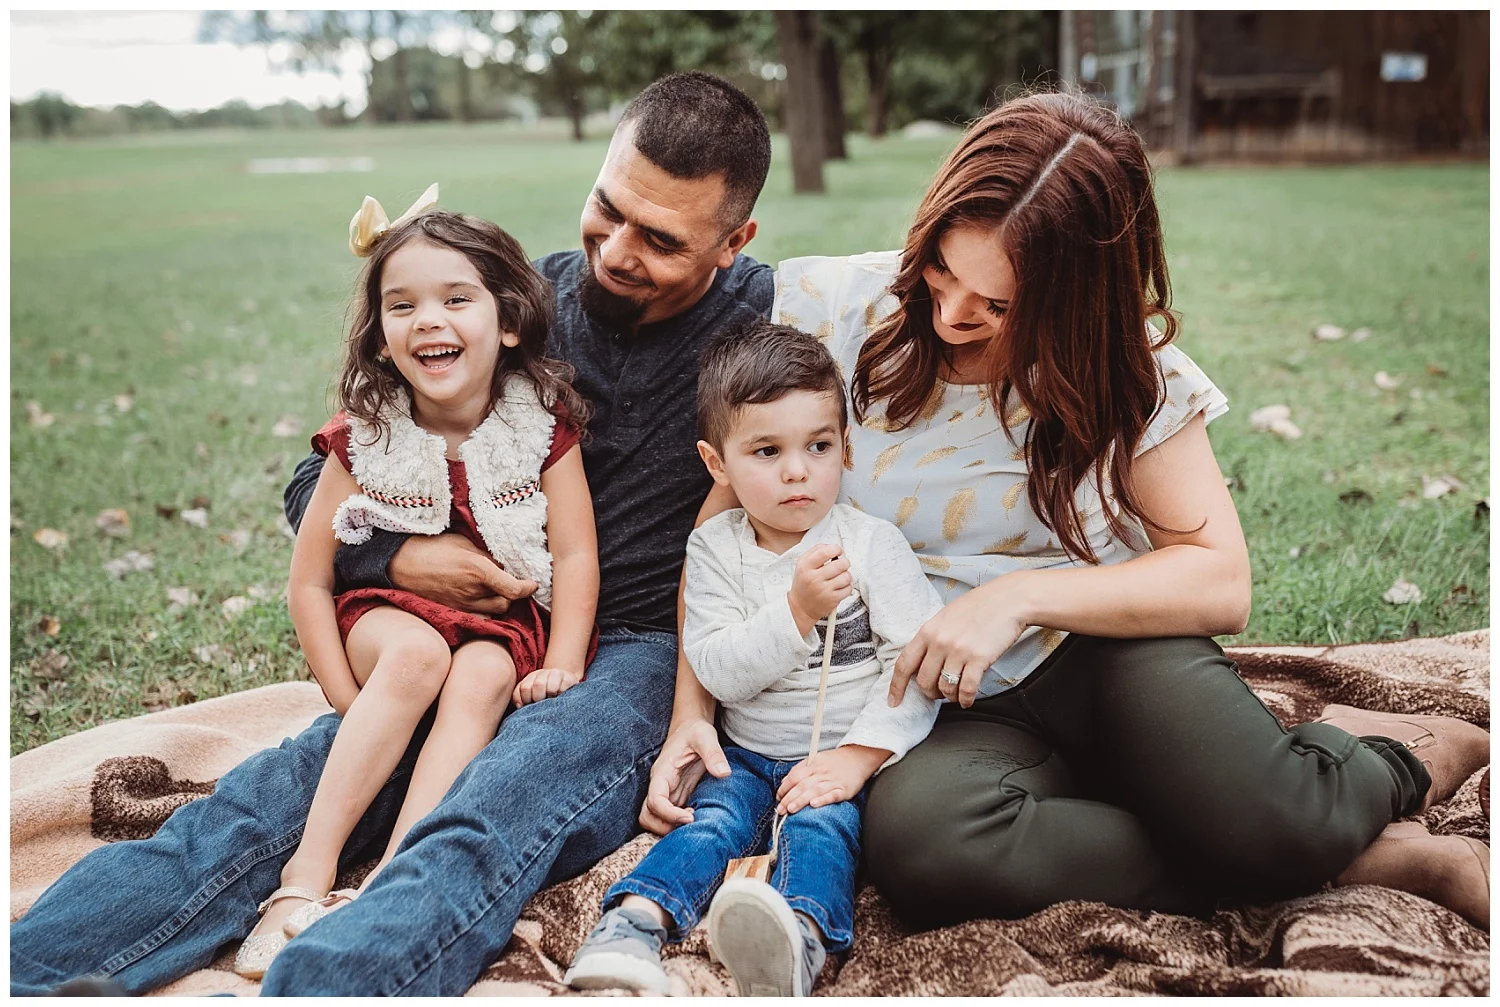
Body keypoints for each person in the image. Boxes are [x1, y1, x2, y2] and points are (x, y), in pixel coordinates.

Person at [642, 91, 1491, 931]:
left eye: (1000, 304)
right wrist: (692, 713)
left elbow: (1221, 579)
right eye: (942, 267)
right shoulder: (832, 308)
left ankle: (1392, 755)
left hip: (1104, 654)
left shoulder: (1130, 372)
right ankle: (1346, 857)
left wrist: (1014, 598)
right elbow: (722, 532)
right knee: (929, 851)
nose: (950, 313)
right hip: (940, 699)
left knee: (1278, 818)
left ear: (1078, 301)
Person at [9, 71, 774, 996]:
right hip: (450, 629)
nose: (616, 250)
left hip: (633, 649)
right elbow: (321, 479)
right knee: (273, 800)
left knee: (486, 810)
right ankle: (34, 970)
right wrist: (407, 557)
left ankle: (329, 980)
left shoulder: (767, 333)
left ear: (735, 242)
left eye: (660, 240)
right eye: (606, 209)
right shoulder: (513, 306)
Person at [232, 201, 602, 979]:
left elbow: (572, 554)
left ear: (507, 323)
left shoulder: (540, 422)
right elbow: (310, 575)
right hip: (385, 620)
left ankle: (392, 874)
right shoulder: (368, 431)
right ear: (381, 337)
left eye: (455, 298)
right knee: (416, 658)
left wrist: (561, 658)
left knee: (484, 672)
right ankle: (302, 877)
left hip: (502, 627)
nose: (427, 318)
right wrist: (338, 688)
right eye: (402, 305)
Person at [563, 323, 944, 996]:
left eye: (818, 446)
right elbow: (716, 667)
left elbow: (915, 666)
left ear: (844, 450)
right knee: (712, 822)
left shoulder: (870, 545)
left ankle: (797, 942)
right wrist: (795, 612)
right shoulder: (715, 549)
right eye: (767, 450)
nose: (797, 470)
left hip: (835, 756)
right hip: (743, 753)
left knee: (821, 830)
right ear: (718, 464)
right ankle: (635, 922)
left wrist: (858, 758)